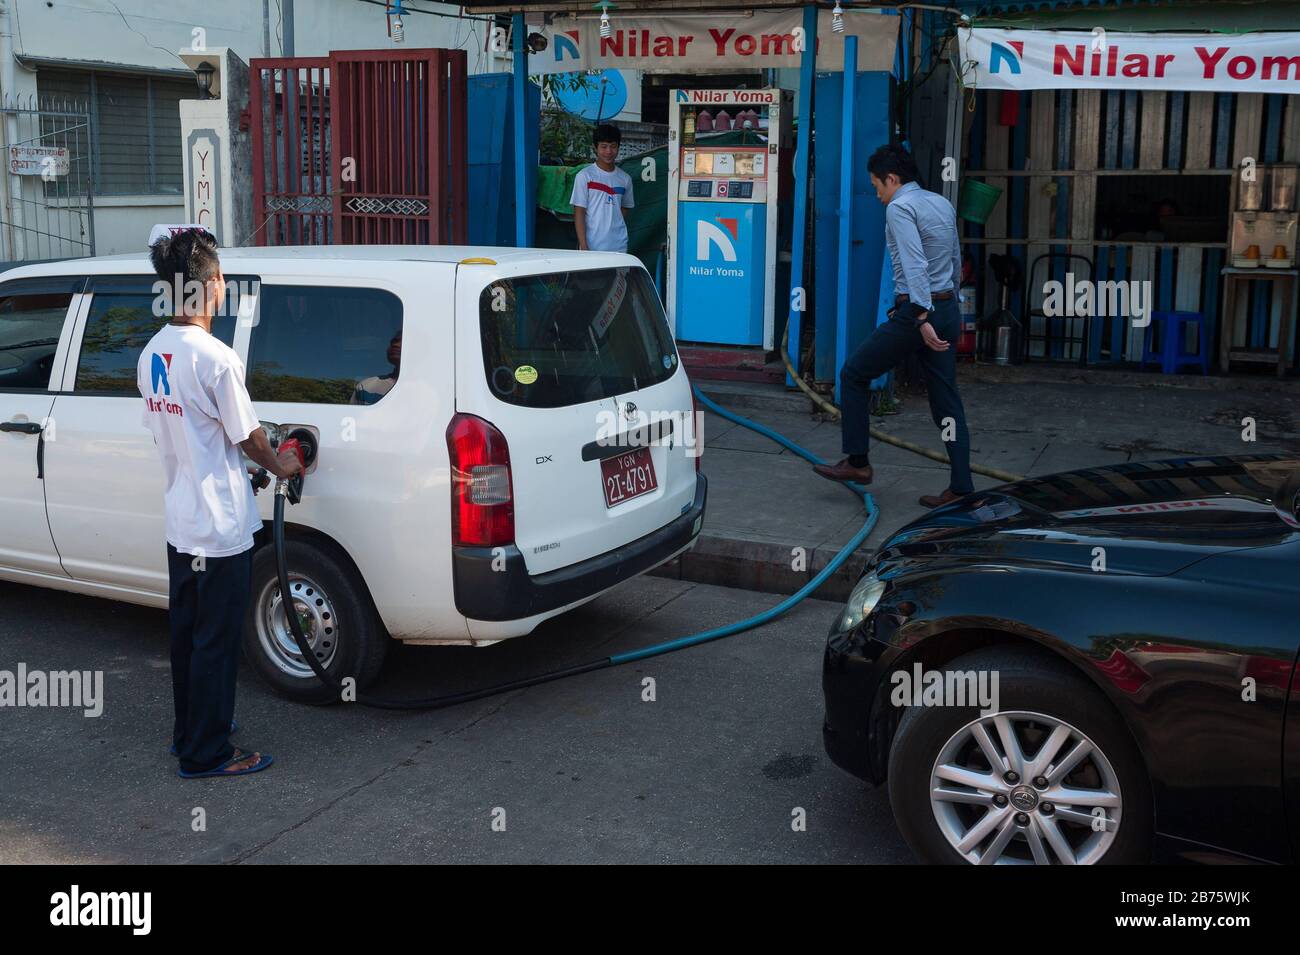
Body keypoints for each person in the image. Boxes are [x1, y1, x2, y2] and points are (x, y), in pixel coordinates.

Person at [138, 228, 301, 778]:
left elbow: (176, 433)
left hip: (181, 523)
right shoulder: (218, 359)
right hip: (219, 528)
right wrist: (283, 465)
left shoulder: (152, 353)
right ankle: (206, 754)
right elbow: (250, 439)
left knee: (187, 636)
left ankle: (189, 732)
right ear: (210, 286)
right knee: (216, 642)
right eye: (221, 276)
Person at [813, 144, 974, 508]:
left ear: (892, 178)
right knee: (946, 399)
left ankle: (858, 463)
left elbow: (915, 265)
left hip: (920, 311)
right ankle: (962, 487)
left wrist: (918, 317)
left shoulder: (901, 207)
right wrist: (945, 308)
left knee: (853, 374)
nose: (878, 195)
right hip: (945, 306)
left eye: (877, 186)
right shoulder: (940, 202)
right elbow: (954, 257)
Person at [571, 123, 635, 253]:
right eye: (603, 147)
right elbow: (579, 212)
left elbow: (625, 207)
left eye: (613, 146)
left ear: (618, 147)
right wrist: (583, 245)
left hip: (619, 247)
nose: (608, 151)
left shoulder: (625, 179)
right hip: (591, 246)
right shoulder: (584, 176)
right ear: (596, 148)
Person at [353, 330, 401, 405]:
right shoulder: (365, 387)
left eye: (403, 340)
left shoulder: (425, 389)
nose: (395, 344)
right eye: (393, 341)